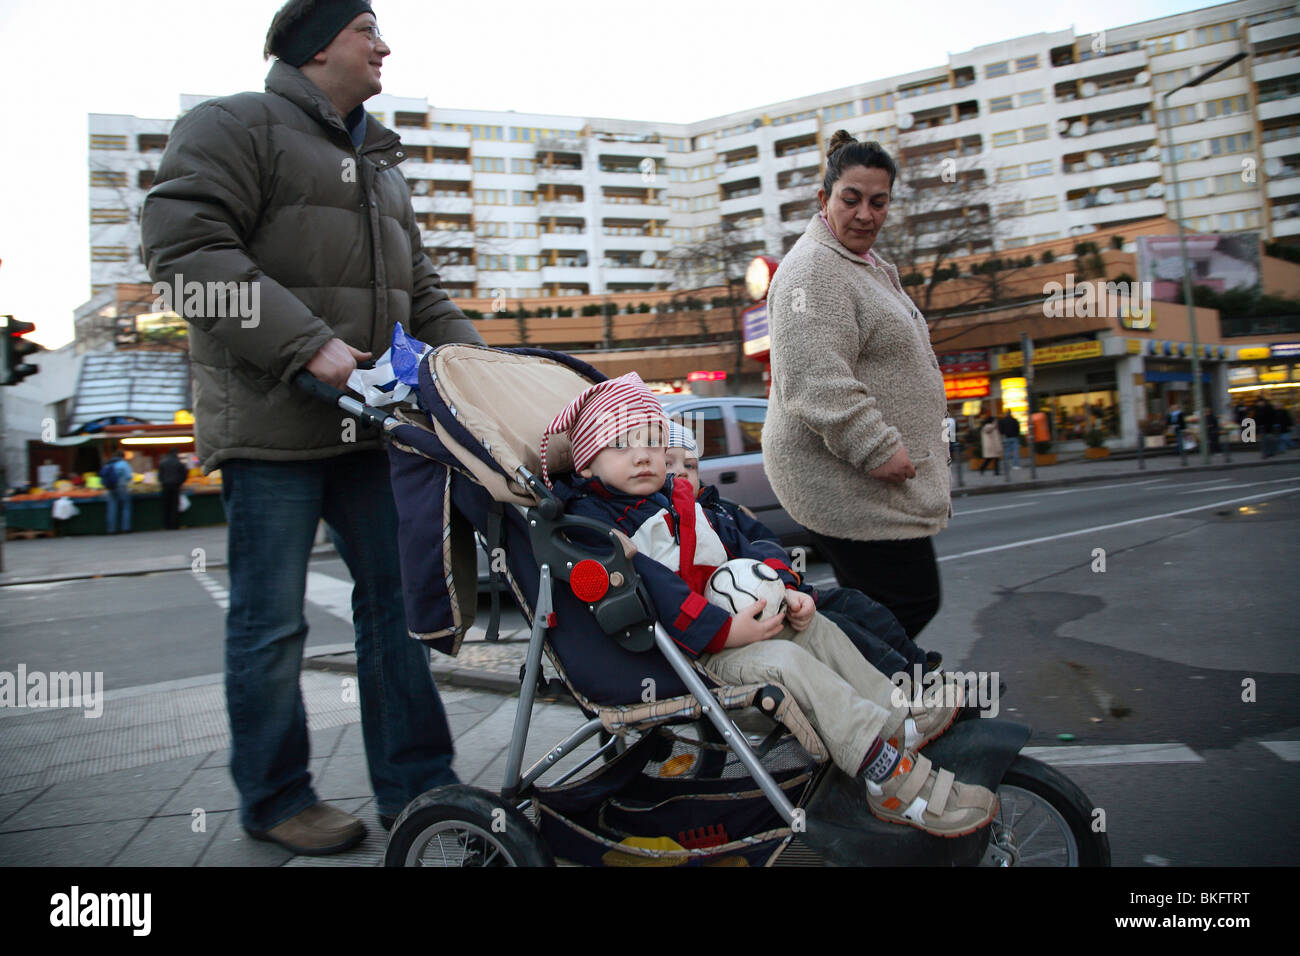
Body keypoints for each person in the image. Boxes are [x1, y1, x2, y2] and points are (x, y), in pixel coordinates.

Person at [140, 0, 485, 855]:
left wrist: (486, 374)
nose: (385, 47)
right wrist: (311, 347)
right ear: (318, 42)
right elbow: (183, 255)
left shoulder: (379, 159)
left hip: (371, 429)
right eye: (370, 30)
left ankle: (418, 784)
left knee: (397, 610)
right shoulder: (232, 125)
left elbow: (423, 292)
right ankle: (276, 797)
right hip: (271, 424)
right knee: (270, 624)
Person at [548, 373, 996, 838]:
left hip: (736, 628)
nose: (643, 454)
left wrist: (785, 586)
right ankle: (887, 776)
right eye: (620, 444)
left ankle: (896, 718)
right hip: (695, 656)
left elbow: (746, 542)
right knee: (787, 662)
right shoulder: (598, 527)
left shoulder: (679, 498)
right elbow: (655, 589)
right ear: (584, 464)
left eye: (654, 441)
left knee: (817, 627)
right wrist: (725, 631)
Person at [763, 132, 952, 641]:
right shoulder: (813, 270)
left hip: (862, 477)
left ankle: (857, 698)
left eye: (878, 201)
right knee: (908, 600)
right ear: (824, 200)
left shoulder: (859, 265)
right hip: (844, 474)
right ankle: (822, 680)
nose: (865, 213)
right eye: (851, 199)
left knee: (880, 606)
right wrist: (877, 447)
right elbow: (813, 377)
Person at [664, 422, 940, 680]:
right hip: (749, 613)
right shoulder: (667, 523)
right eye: (668, 464)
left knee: (855, 603)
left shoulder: (724, 511)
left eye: (690, 465)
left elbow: (765, 544)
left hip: (787, 592)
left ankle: (916, 663)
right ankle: (906, 683)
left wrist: (788, 584)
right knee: (840, 629)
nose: (681, 472)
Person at [99, 452, 134, 534]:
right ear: (123, 456)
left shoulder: (108, 464)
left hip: (110, 487)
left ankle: (111, 529)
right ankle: (126, 528)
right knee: (126, 506)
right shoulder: (123, 464)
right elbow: (129, 476)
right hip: (121, 486)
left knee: (112, 507)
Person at [158, 450, 189, 530]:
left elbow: (160, 476)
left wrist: (163, 481)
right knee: (174, 506)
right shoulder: (179, 463)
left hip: (165, 486)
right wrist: (180, 482)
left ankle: (166, 525)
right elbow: (184, 474)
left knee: (166, 506)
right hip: (176, 486)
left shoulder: (163, 463)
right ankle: (174, 525)